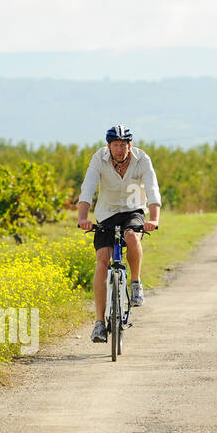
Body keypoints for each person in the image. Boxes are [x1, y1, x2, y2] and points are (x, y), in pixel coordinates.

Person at [76, 124, 162, 342]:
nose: (120, 149)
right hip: (107, 213)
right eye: (116, 145)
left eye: (123, 145)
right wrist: (82, 218)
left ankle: (135, 282)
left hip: (134, 210)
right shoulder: (99, 159)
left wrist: (154, 219)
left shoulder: (142, 159)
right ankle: (98, 324)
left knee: (132, 237)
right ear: (109, 146)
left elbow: (152, 189)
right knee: (102, 261)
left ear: (129, 145)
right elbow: (88, 187)